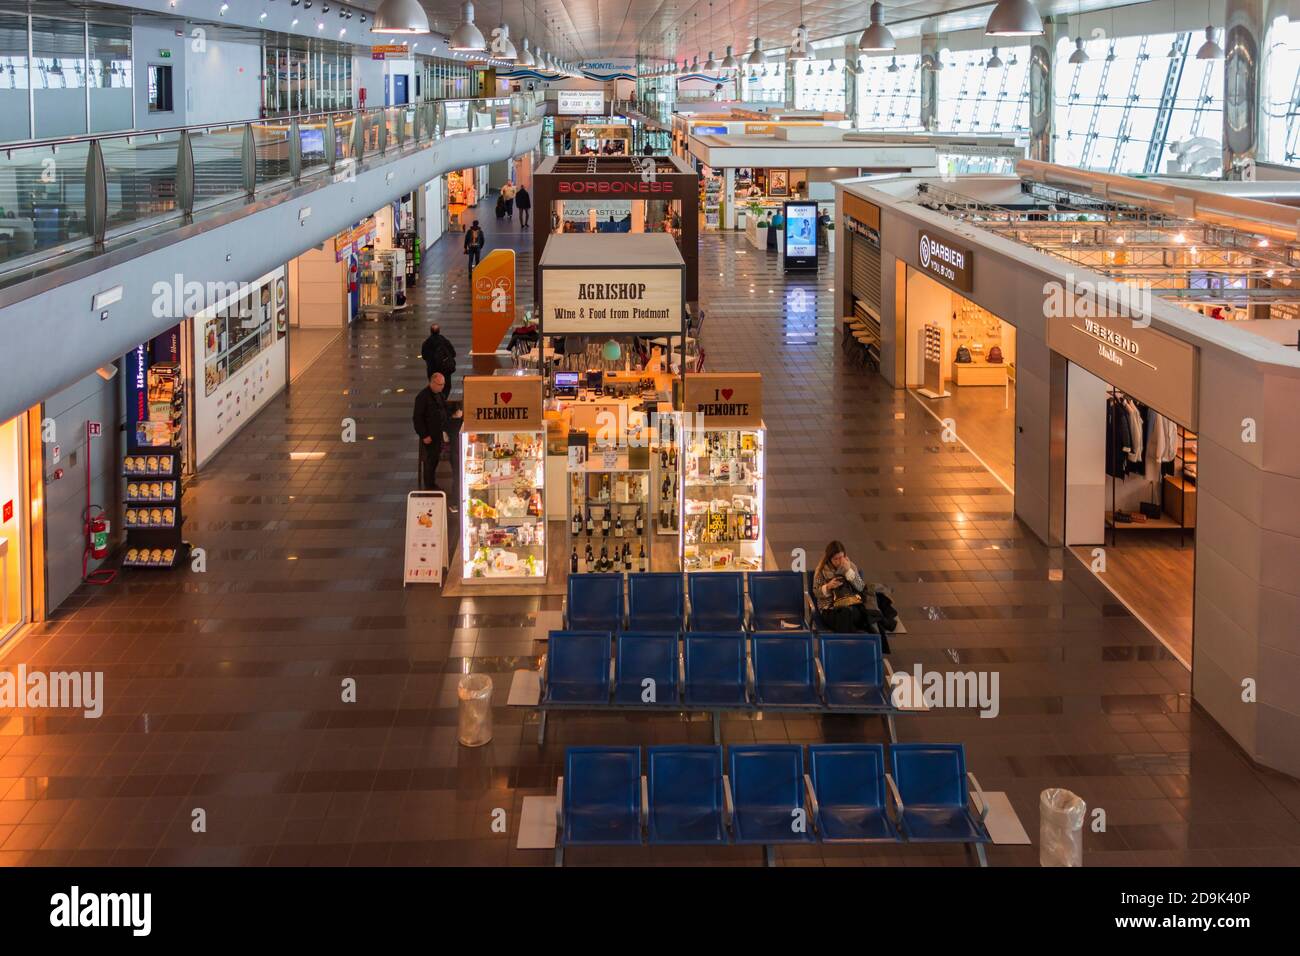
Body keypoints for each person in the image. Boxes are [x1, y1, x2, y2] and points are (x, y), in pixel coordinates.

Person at [812, 540, 891, 650]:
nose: (839, 561)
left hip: (852, 604)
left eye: (841, 557)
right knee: (845, 614)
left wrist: (848, 572)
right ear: (829, 559)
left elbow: (861, 587)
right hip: (830, 609)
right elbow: (816, 593)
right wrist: (828, 586)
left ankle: (843, 648)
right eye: (836, 559)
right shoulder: (821, 570)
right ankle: (851, 649)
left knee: (848, 613)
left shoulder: (851, 566)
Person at [413, 372, 452, 505]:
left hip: (439, 432)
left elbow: (445, 408)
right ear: (433, 383)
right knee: (430, 460)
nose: (442, 387)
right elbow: (417, 418)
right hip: (430, 435)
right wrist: (424, 435)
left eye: (443, 385)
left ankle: (431, 483)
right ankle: (429, 485)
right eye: (440, 385)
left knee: (434, 458)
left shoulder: (439, 394)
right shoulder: (422, 397)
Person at [421, 323, 456, 394]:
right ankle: (443, 401)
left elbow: (424, 356)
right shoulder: (445, 341)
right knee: (446, 387)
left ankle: (437, 401)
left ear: (430, 331)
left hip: (432, 370)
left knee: (434, 388)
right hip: (445, 370)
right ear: (439, 331)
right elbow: (453, 354)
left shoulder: (426, 343)